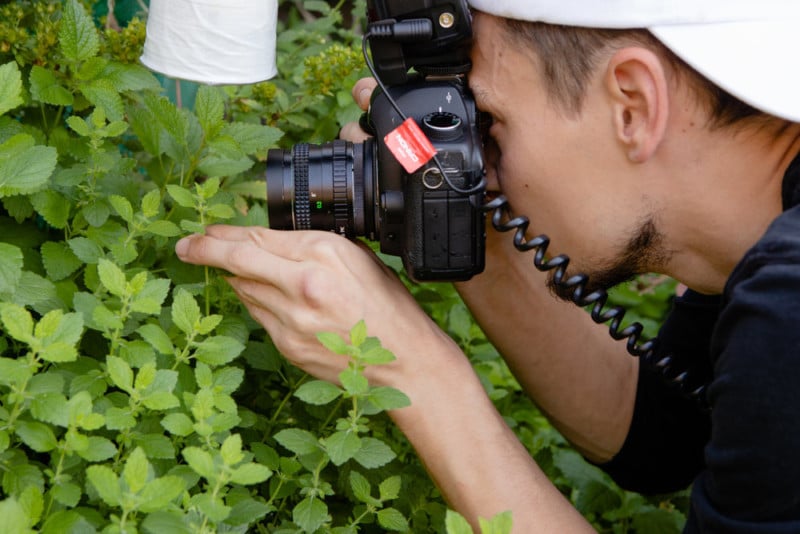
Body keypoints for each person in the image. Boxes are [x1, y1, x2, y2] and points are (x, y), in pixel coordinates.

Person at [175, 1, 800, 531]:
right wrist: (461, 219)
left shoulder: (790, 300)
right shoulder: (759, 232)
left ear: (633, 103)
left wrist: (405, 365)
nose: (481, 157)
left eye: (492, 123)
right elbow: (667, 440)